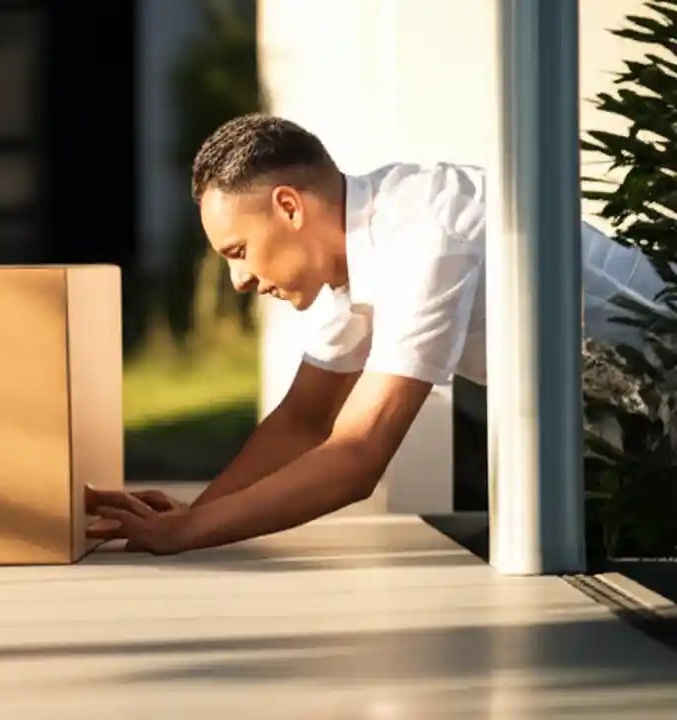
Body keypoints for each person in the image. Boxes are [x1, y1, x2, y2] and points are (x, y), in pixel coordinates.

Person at [86, 113, 668, 555]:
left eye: (239, 251)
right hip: (624, 443)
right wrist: (193, 516)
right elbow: (304, 421)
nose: (239, 280)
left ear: (289, 207)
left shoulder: (423, 238)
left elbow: (356, 457)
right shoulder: (356, 249)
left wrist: (188, 532)